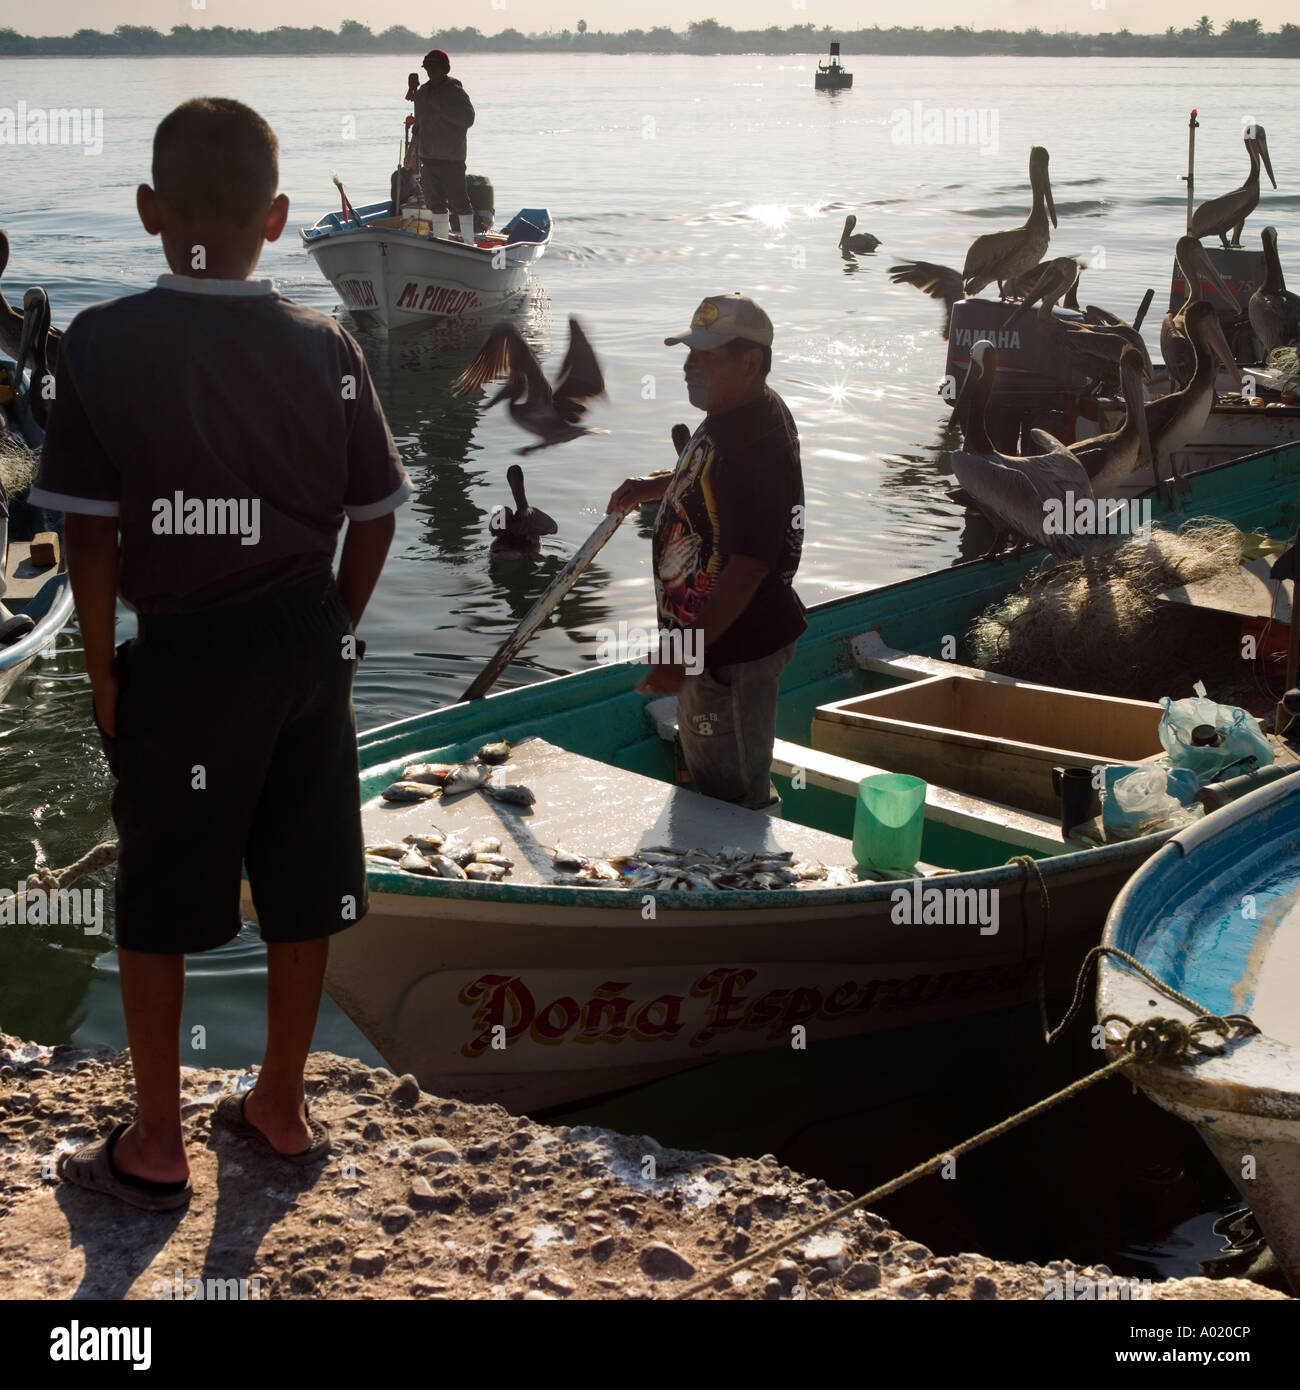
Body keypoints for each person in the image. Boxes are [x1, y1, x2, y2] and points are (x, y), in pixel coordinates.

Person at [28, 97, 412, 1209]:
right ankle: (279, 1107)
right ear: (280, 218)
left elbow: (88, 534)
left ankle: (154, 1142)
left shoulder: (101, 343)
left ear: (151, 212)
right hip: (302, 640)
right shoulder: (325, 344)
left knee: (158, 892)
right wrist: (335, 623)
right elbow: (378, 509)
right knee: (300, 880)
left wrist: (104, 666)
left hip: (186, 651)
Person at [607, 293, 806, 814]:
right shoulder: (733, 411)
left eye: (705, 356)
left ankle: (756, 877)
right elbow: (711, 480)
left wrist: (683, 654)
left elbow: (748, 566)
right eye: (690, 352)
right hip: (707, 647)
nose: (689, 365)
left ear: (750, 362)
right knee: (713, 769)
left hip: (732, 653)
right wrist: (655, 485)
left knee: (735, 791)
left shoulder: (754, 445)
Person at [411, 48, 476, 242]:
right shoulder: (422, 93)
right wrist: (411, 153)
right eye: (428, 68)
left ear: (445, 69)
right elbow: (418, 126)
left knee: (460, 203)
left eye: (435, 67)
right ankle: (441, 242)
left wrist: (443, 110)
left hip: (452, 158)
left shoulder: (455, 91)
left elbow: (468, 119)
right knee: (434, 204)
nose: (431, 71)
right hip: (428, 158)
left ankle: (469, 242)